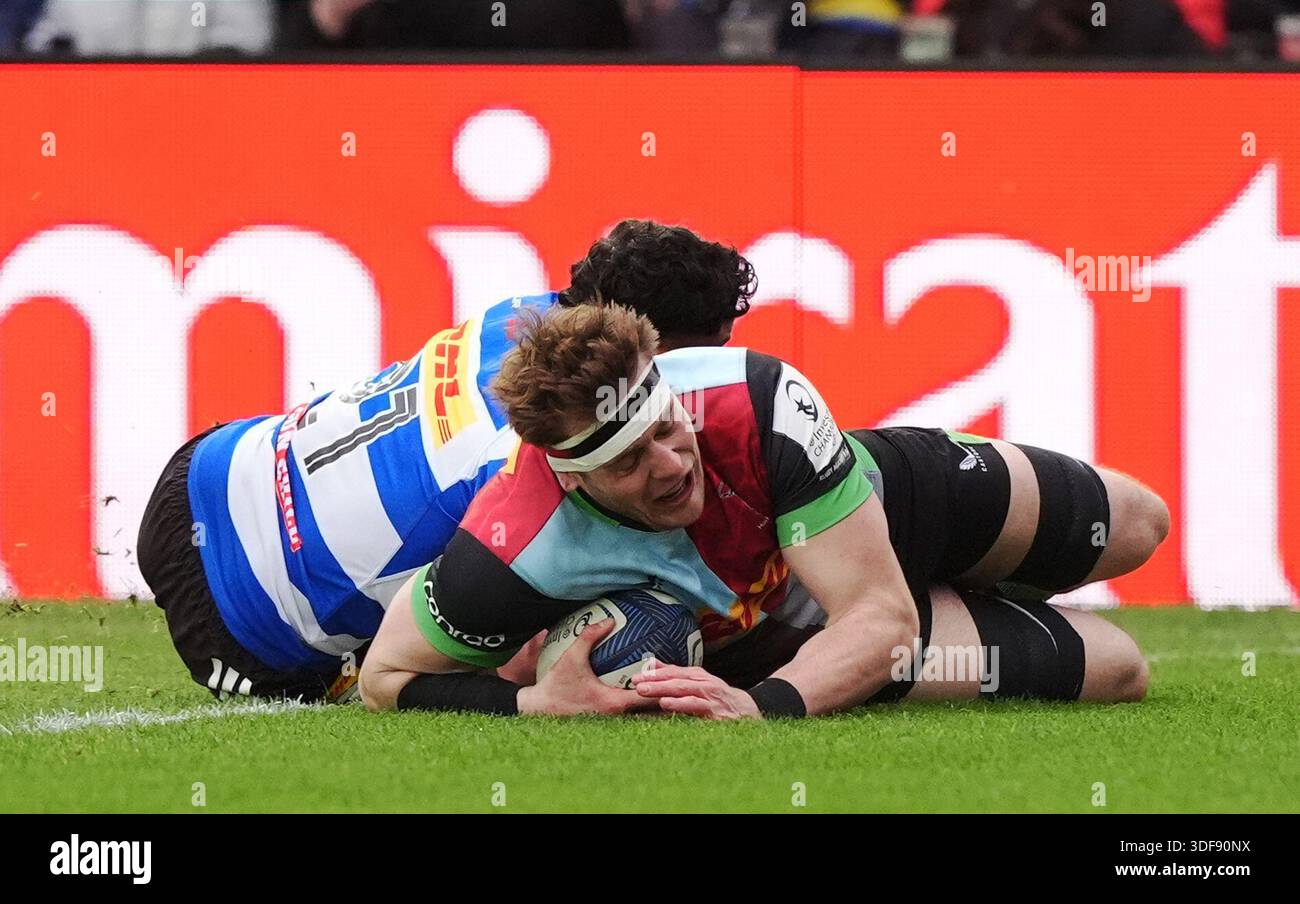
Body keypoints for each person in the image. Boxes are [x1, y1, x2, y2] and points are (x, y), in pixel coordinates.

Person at [358, 303, 1167, 718]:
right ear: (572, 480)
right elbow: (384, 675)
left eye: (669, 427)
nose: (672, 464)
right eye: (630, 461)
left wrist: (761, 707)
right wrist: (532, 701)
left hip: (877, 514)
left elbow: (876, 611)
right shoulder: (517, 546)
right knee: (1121, 668)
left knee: (1137, 523)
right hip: (800, 638)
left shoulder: (755, 393)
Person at [136, 221, 754, 702]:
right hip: (245, 629)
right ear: (651, 347)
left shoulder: (524, 316)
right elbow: (513, 658)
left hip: (208, 466)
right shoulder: (543, 460)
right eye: (705, 359)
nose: (711, 383)